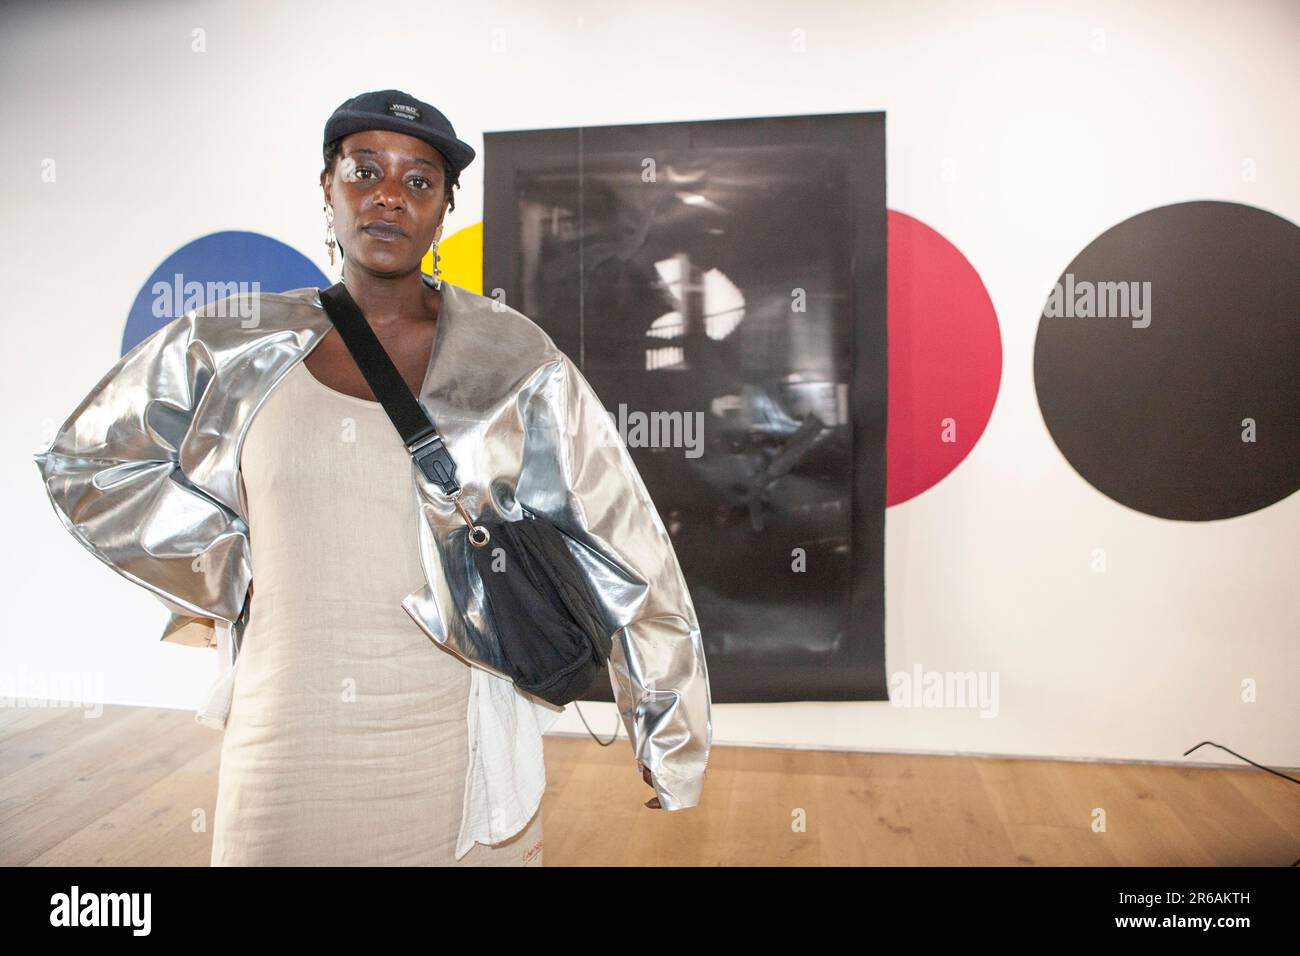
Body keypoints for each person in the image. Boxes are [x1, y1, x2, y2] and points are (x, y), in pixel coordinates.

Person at [33, 89, 712, 866]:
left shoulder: (510, 359)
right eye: (365, 170)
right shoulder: (236, 342)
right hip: (281, 741)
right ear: (328, 188)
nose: (390, 193)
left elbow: (622, 538)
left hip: (452, 745)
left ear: (444, 209)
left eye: (420, 180)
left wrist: (668, 730)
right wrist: (226, 566)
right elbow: (90, 462)